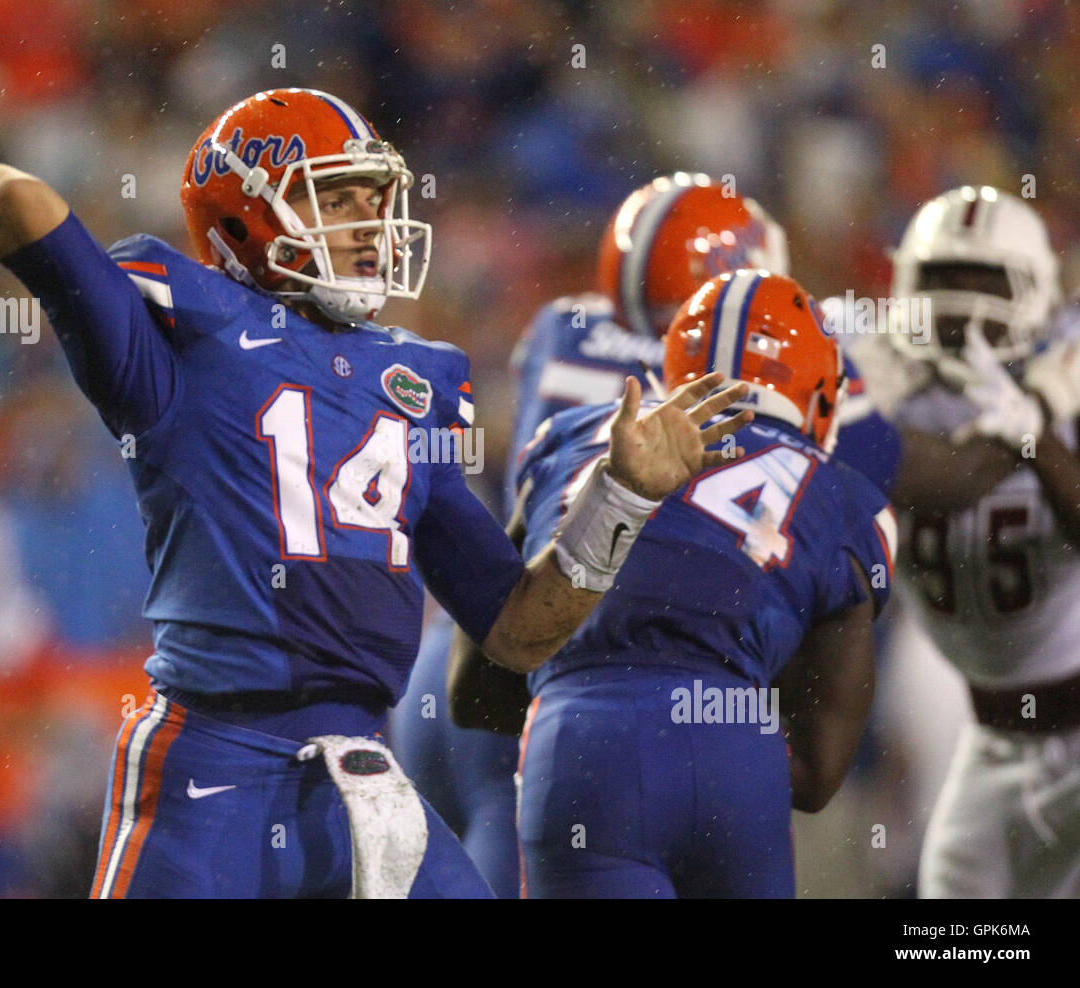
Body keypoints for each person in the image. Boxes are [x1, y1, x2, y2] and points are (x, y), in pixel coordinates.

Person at [0, 87, 750, 898]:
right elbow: (19, 202)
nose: (370, 220)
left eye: (376, 196)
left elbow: (516, 629)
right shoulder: (182, 331)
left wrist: (620, 498)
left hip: (361, 779)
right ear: (244, 217)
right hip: (211, 762)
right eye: (338, 195)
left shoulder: (415, 374)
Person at [454, 270, 895, 897]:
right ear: (822, 394)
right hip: (736, 753)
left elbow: (473, 691)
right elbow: (819, 774)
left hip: (583, 739)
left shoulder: (570, 438)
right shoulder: (849, 500)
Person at [861, 186, 1080, 898]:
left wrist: (1043, 433)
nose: (964, 308)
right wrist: (1027, 424)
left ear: (1041, 291)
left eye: (986, 282)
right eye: (942, 282)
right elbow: (949, 479)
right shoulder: (881, 381)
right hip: (994, 737)